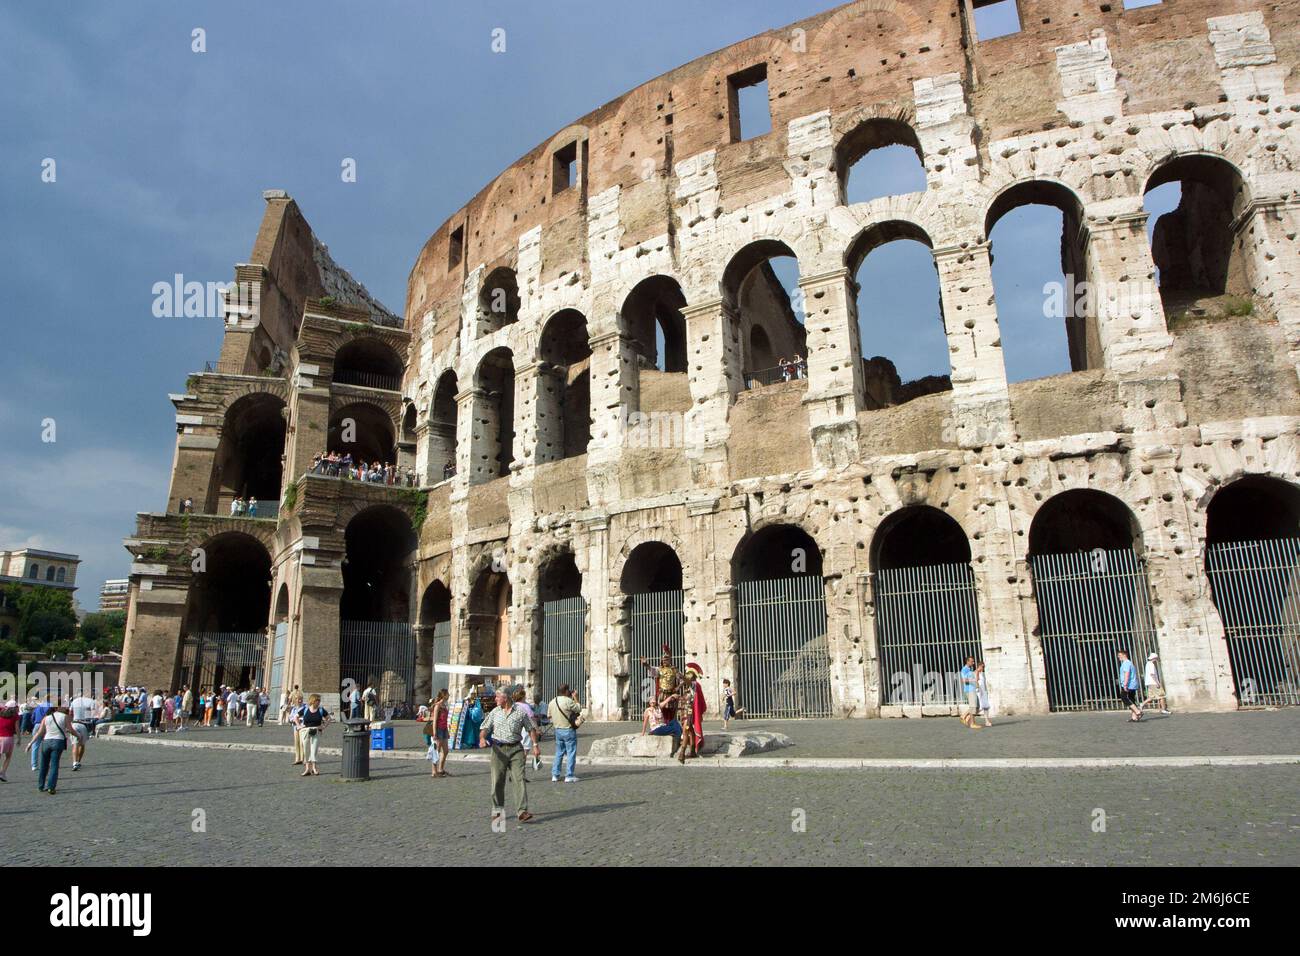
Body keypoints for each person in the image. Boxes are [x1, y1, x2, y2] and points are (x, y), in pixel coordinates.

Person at [479, 688, 537, 824]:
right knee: (497, 781)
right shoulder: (494, 712)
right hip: (498, 750)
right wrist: (482, 738)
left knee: (519, 779)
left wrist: (535, 745)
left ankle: (522, 812)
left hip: (516, 748)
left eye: (497, 697)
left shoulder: (520, 712)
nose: (495, 699)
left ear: (505, 698)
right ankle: (497, 811)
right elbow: (485, 728)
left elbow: (531, 729)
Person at [27, 703, 79, 795]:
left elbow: (39, 732)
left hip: (46, 741)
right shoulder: (65, 716)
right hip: (58, 741)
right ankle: (51, 787)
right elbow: (70, 730)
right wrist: (78, 735)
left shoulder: (46, 718)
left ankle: (41, 785)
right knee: (54, 765)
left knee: (44, 765)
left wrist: (30, 743)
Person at [547, 684, 582, 783]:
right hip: (568, 730)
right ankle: (569, 775)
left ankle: (555, 774)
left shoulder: (552, 701)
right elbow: (578, 709)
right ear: (566, 691)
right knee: (571, 753)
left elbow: (549, 716)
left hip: (557, 730)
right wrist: (576, 698)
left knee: (559, 753)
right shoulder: (568, 701)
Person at [298, 694, 331, 776]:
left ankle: (314, 768)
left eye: (319, 701)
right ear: (313, 701)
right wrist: (299, 725)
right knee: (306, 749)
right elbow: (295, 717)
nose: (319, 702)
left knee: (314, 749)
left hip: (316, 730)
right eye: (317, 701)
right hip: (305, 731)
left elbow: (329, 718)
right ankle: (307, 769)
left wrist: (323, 726)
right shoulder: (305, 709)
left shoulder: (321, 710)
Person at [69, 690, 100, 768]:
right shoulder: (91, 701)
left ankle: (74, 762)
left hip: (75, 723)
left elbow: (70, 713)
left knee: (75, 744)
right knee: (82, 745)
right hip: (84, 724)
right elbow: (93, 714)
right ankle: (78, 761)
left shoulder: (74, 701)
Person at [428, 689, 451, 778]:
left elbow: (445, 720)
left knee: (445, 751)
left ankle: (440, 769)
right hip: (438, 730)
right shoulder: (437, 706)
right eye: (448, 694)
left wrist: (447, 731)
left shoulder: (444, 706)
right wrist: (434, 733)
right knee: (436, 751)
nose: (449, 695)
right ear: (444, 695)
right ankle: (434, 771)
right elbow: (434, 721)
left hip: (444, 729)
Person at [1117, 649, 1143, 721]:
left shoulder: (1126, 663)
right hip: (1132, 684)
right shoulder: (1129, 663)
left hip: (1129, 684)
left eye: (1120, 655)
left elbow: (1127, 674)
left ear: (1124, 655)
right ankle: (1134, 717)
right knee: (1131, 699)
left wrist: (1125, 684)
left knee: (1124, 698)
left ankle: (1138, 712)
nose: (1118, 657)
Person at [959, 656, 982, 730]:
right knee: (973, 707)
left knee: (976, 706)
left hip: (972, 689)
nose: (973, 663)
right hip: (969, 690)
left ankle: (964, 716)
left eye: (973, 661)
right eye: (972, 661)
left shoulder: (969, 669)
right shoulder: (964, 669)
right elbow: (964, 681)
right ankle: (972, 723)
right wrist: (974, 680)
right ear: (968, 661)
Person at [0, 699, 19, 782]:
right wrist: (19, 738)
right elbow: (17, 728)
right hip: (9, 738)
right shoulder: (15, 716)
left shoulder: (0, 714)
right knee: (8, 757)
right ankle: (2, 773)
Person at [975, 661, 993, 728]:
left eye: (984, 667)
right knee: (981, 706)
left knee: (986, 706)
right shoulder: (976, 672)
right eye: (983, 666)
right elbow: (976, 681)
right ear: (979, 666)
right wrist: (978, 690)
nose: (983, 668)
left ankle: (987, 721)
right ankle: (967, 716)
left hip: (983, 691)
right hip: (980, 691)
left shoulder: (981, 673)